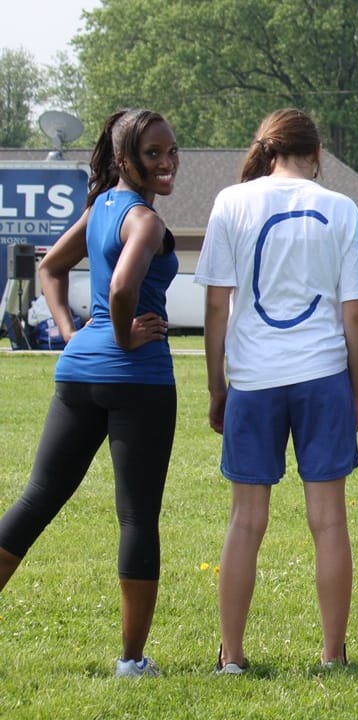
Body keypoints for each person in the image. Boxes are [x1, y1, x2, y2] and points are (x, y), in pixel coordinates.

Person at [0, 109, 179, 677]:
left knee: (37, 498)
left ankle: (132, 657)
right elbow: (125, 285)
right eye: (153, 153)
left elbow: (50, 267)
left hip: (78, 375)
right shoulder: (143, 220)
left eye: (171, 150)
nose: (167, 161)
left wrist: (74, 333)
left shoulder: (100, 206)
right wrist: (123, 334)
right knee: (137, 518)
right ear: (125, 159)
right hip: (138, 379)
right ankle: (131, 660)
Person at [195, 109, 358, 674]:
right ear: (316, 154)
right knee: (330, 522)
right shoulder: (340, 208)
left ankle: (233, 656)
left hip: (253, 379)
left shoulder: (231, 202)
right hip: (322, 375)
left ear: (268, 151)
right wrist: (355, 389)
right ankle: (332, 653)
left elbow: (217, 307)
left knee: (246, 521)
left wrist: (218, 384)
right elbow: (353, 312)